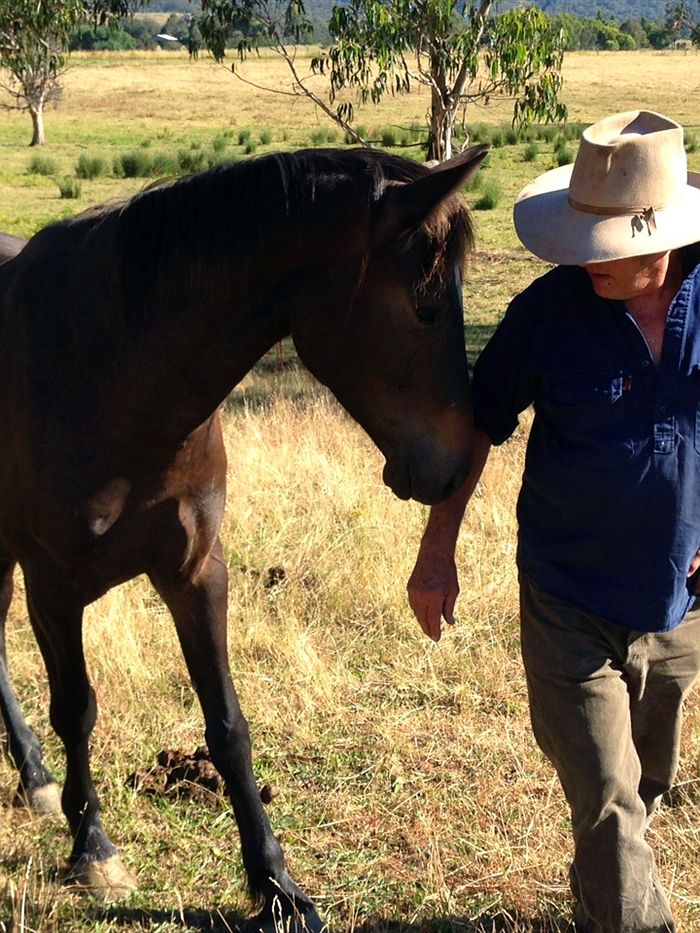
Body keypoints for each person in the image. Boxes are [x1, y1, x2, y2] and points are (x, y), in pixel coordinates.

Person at [408, 110, 700, 933]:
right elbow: (477, 426)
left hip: (679, 608)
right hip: (568, 599)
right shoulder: (548, 312)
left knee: (643, 789)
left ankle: (595, 905)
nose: (584, 260)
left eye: (604, 245)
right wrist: (437, 555)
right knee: (610, 800)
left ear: (665, 237)